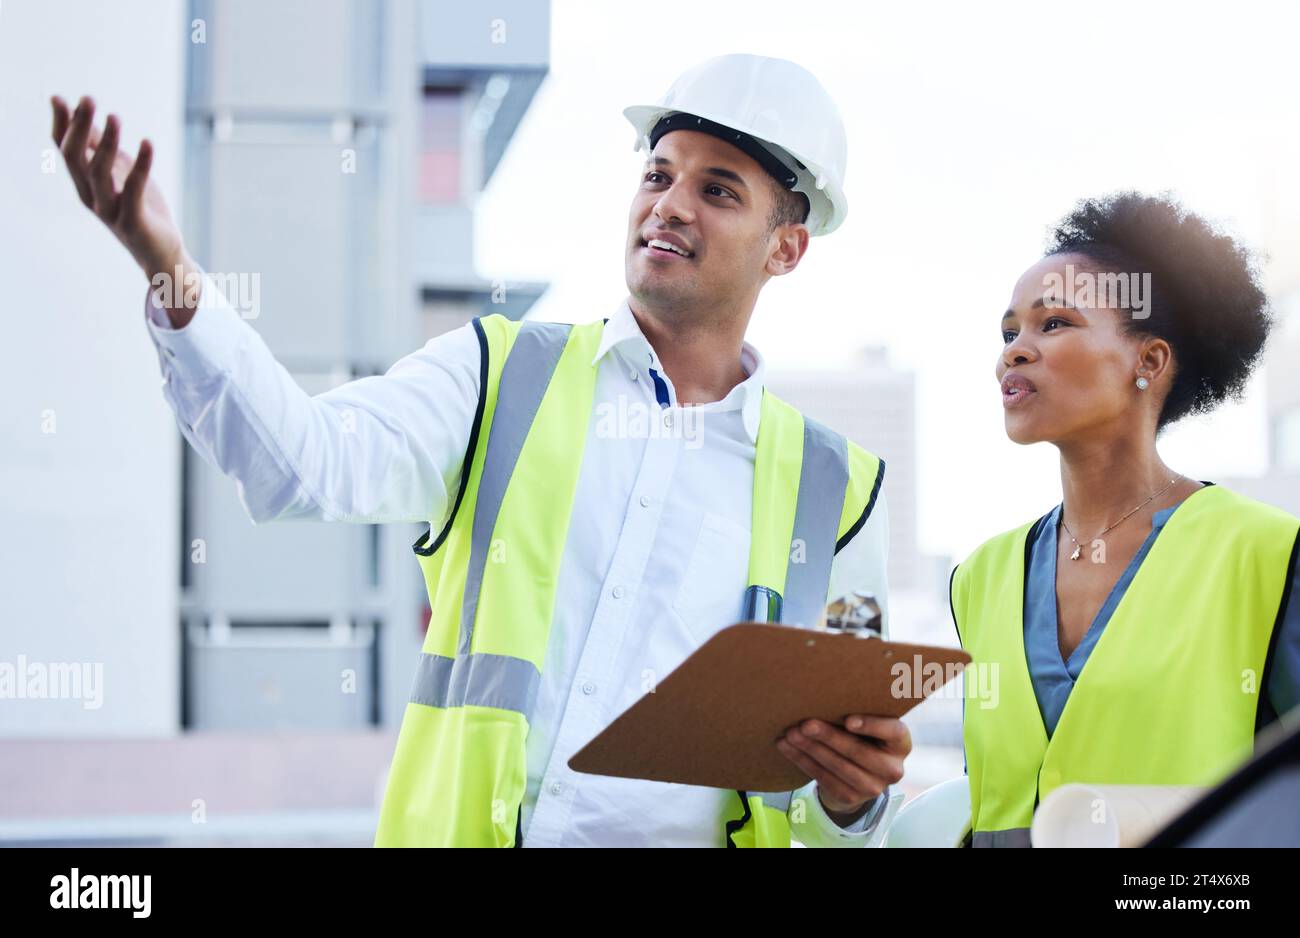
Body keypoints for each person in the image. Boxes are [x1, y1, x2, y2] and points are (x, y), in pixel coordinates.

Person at [50, 53, 910, 847]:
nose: (670, 204)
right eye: (658, 174)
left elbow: (839, 804)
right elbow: (301, 465)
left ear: (786, 247)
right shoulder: (498, 377)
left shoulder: (836, 493)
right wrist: (167, 267)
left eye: (718, 191)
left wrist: (850, 799)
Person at [949, 192, 1300, 847]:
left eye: (1053, 323)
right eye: (1009, 332)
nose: (1015, 352)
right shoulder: (979, 575)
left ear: (1150, 362)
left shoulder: (1268, 553)